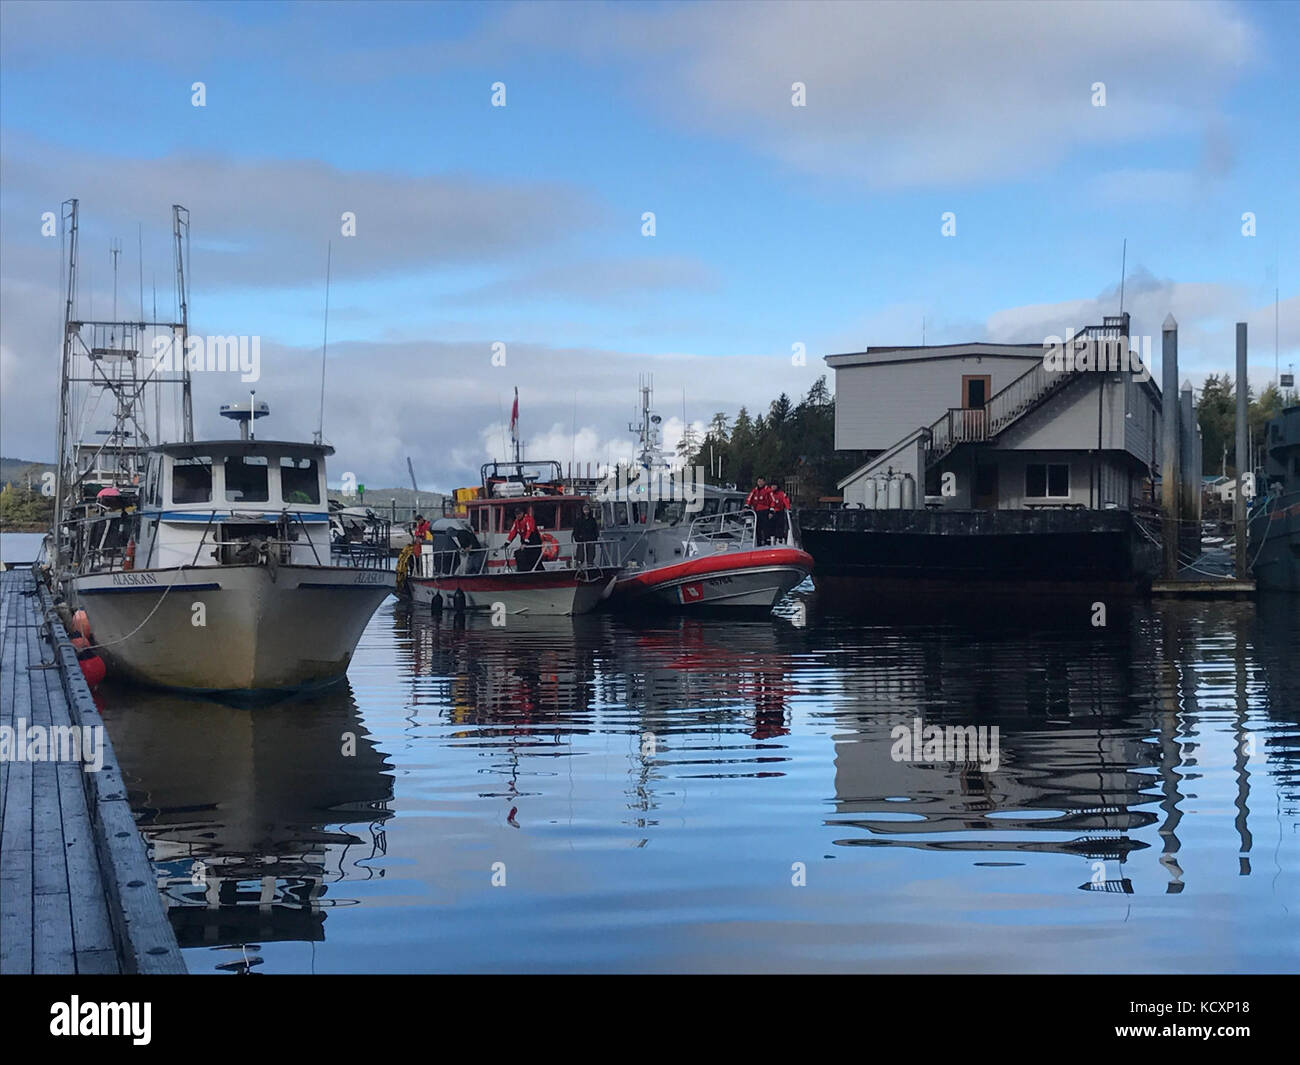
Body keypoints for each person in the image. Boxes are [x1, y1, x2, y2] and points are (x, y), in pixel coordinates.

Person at [505, 506, 542, 571]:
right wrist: (507, 543)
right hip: (525, 541)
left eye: (519, 513)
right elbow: (513, 532)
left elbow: (529, 530)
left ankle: (536, 570)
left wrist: (525, 543)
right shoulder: (516, 522)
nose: (518, 515)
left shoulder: (528, 519)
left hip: (534, 541)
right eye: (516, 514)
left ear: (522, 513)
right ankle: (522, 570)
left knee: (533, 557)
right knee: (519, 554)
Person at [746, 477, 773, 545]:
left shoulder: (768, 491)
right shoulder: (754, 491)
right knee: (757, 528)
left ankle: (767, 542)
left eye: (761, 481)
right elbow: (749, 498)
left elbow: (772, 501)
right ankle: (758, 542)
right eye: (758, 481)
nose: (760, 483)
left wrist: (771, 511)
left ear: (764, 482)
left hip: (765, 511)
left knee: (766, 527)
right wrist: (746, 506)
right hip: (756, 511)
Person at [767, 480, 791, 545]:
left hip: (780, 512)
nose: (773, 487)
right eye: (772, 486)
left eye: (774, 486)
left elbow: (786, 501)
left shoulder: (781, 494)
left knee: (780, 526)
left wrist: (788, 508)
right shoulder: (769, 493)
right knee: (771, 527)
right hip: (771, 512)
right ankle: (771, 540)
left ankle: (780, 540)